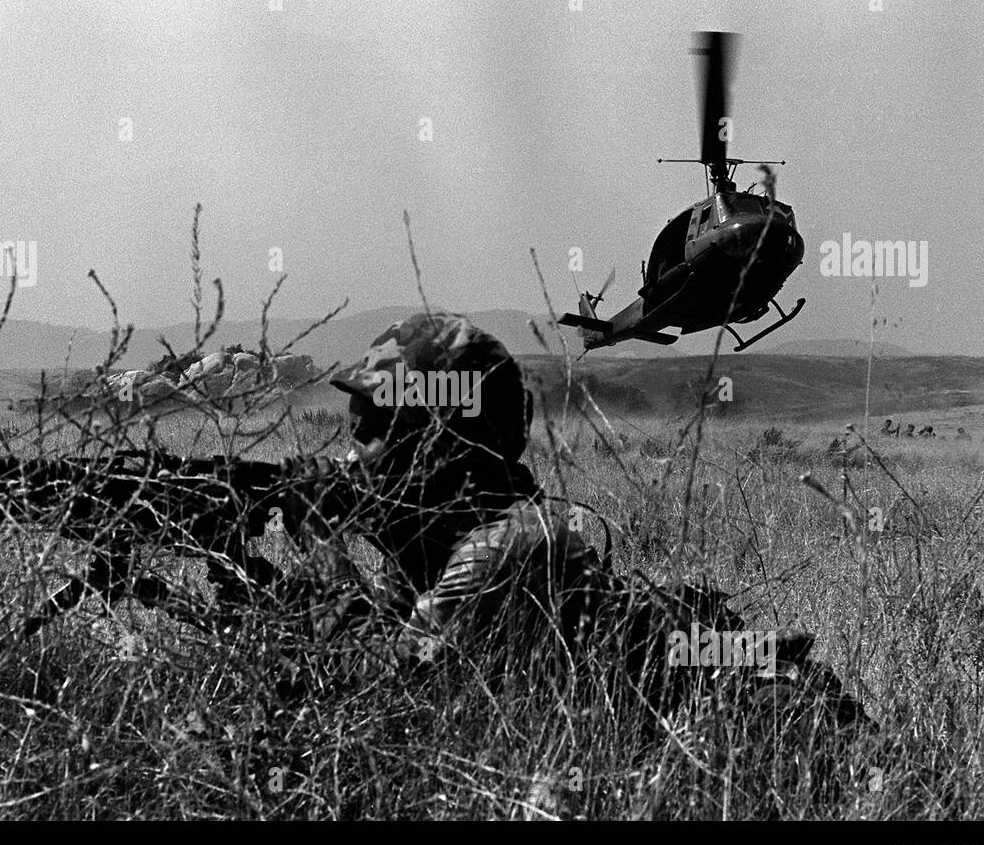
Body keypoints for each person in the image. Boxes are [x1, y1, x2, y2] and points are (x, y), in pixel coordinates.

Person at [262, 312, 869, 734]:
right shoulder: (445, 537)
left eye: (369, 433)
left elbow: (385, 694)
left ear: (441, 443)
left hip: (775, 730)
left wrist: (320, 551)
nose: (349, 458)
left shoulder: (505, 546)